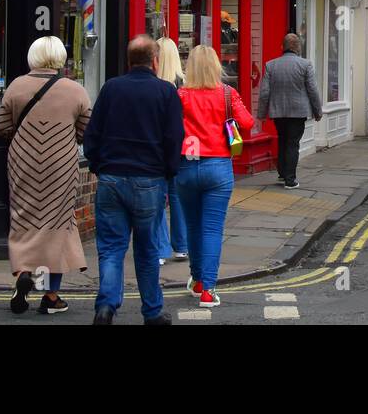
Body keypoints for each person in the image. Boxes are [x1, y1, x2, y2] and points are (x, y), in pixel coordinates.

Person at [83, 34, 184, 325]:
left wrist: (99, 165)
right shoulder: (165, 92)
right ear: (155, 61)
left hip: (111, 179)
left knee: (112, 248)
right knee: (147, 249)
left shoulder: (111, 89)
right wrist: (168, 172)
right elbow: (173, 138)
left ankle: (106, 307)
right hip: (149, 180)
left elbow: (93, 134)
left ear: (129, 61)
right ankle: (152, 312)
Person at [0, 36, 91, 316]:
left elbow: (2, 126)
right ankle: (50, 295)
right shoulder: (75, 90)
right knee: (58, 225)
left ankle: (24, 273)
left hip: (23, 162)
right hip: (61, 166)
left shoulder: (16, 86)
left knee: (23, 218)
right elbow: (87, 130)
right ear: (60, 58)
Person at [176, 45, 252, 308]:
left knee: (192, 226)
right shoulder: (228, 94)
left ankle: (197, 280)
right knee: (211, 229)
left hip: (186, 165)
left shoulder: (180, 95)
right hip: (218, 166)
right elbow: (249, 123)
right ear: (216, 66)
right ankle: (208, 289)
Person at [258, 33, 323, 188]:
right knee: (293, 143)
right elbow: (312, 90)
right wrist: (317, 111)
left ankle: (282, 173)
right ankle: (290, 179)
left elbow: (264, 92)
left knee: (282, 140)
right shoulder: (305, 64)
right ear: (297, 47)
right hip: (298, 112)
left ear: (283, 47)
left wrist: (262, 113)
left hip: (278, 112)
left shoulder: (270, 65)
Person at [152, 37, 188, 264]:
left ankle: (160, 250)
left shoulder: (153, 85)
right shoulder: (184, 84)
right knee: (177, 197)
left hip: (156, 150)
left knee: (156, 199)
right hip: (181, 149)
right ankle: (182, 247)